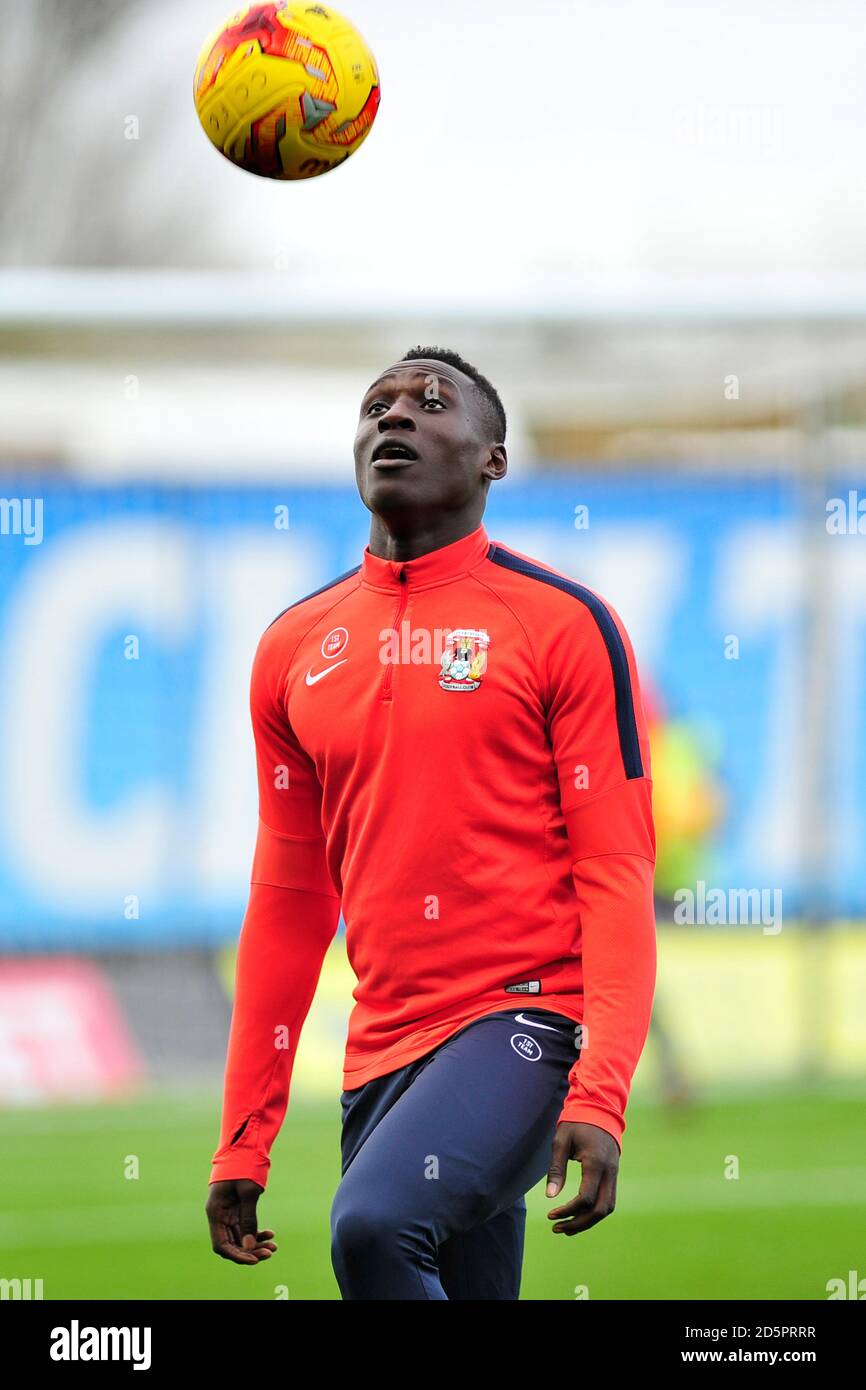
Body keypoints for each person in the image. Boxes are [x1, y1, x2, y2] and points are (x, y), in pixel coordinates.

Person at [205, 346, 657, 1300]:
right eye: (377, 405)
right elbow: (290, 903)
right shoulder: (293, 647)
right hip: (382, 1049)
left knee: (375, 1230)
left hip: (526, 1020)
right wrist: (243, 1133)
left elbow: (616, 872)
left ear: (494, 458)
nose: (394, 417)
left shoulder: (563, 624)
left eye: (430, 402)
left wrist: (601, 1092)